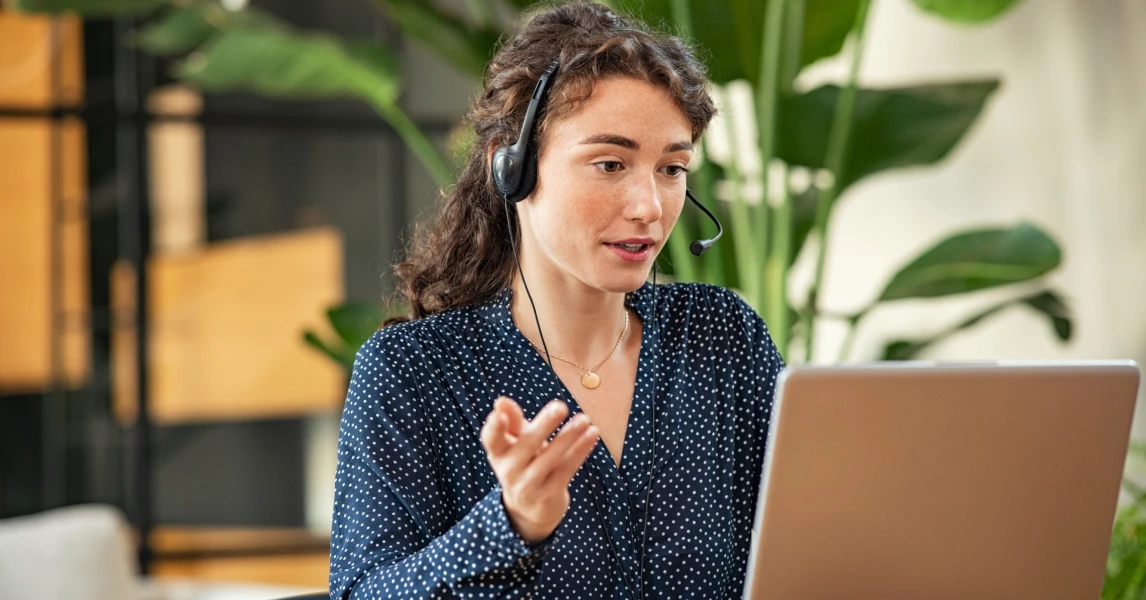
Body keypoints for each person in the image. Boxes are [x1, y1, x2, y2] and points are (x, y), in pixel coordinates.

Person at [328, 2, 785, 598]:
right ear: (511, 168)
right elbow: (361, 592)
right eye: (610, 163)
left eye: (672, 169)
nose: (649, 206)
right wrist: (510, 525)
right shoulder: (413, 373)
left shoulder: (723, 338)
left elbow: (808, 548)